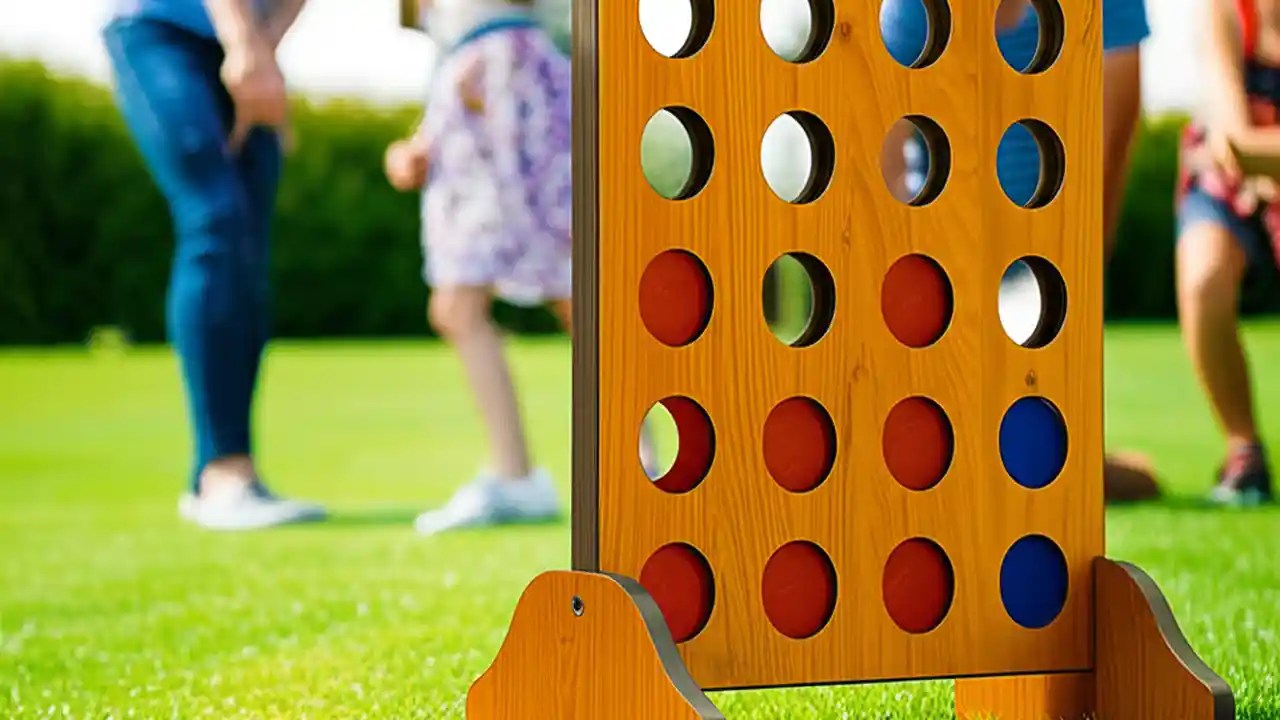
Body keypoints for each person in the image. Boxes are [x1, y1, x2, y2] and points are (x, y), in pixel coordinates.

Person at [881, 0, 1160, 502]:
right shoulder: (912, 10)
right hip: (939, 243)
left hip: (1043, 250)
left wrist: (1075, 264)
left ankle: (1072, 456)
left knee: (1030, 454)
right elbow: (887, 157)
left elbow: (1112, 132)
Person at [103, 0, 325, 529]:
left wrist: (262, 52)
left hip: (242, 43)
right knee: (216, 220)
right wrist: (245, 46)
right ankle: (222, 475)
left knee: (246, 248)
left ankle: (229, 470)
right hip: (159, 29)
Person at [386, 0, 590, 534]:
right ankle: (517, 475)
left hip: (516, 83)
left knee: (573, 295)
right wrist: (425, 139)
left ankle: (639, 468)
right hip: (476, 93)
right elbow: (449, 37)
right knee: (460, 303)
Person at [1175, 0, 1279, 505]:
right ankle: (1245, 453)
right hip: (1225, 184)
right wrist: (1248, 155)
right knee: (1204, 278)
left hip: (1258, 171)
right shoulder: (1226, 11)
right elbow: (1232, 145)